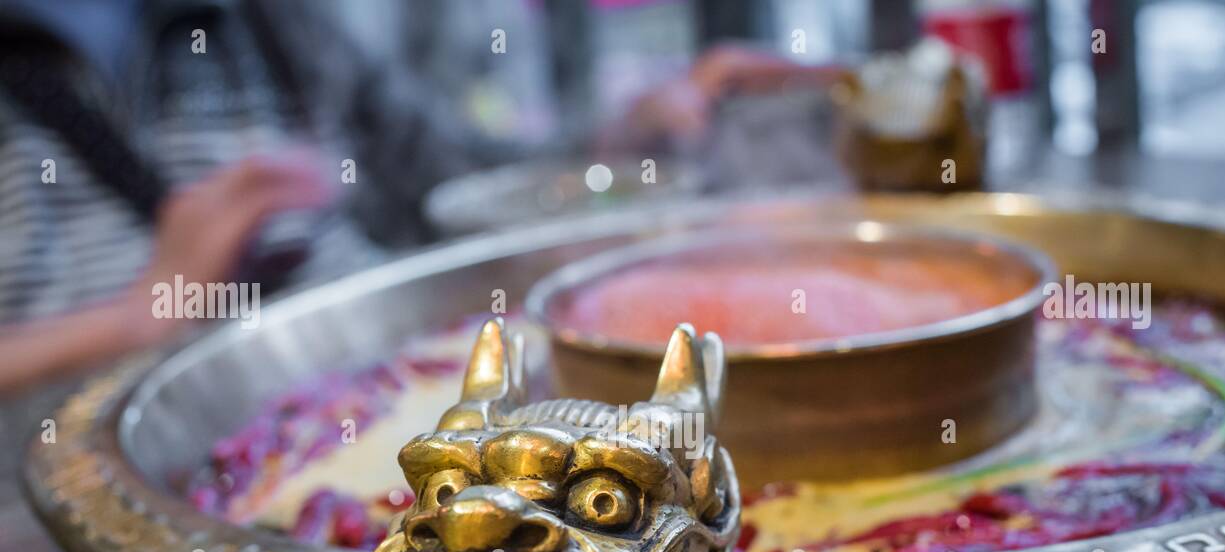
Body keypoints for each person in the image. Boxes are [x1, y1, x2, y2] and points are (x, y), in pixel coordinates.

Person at [0, 0, 837, 398]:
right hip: (73, 498)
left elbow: (447, 182)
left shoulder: (268, 27)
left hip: (386, 404)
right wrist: (141, 313)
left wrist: (618, 146)